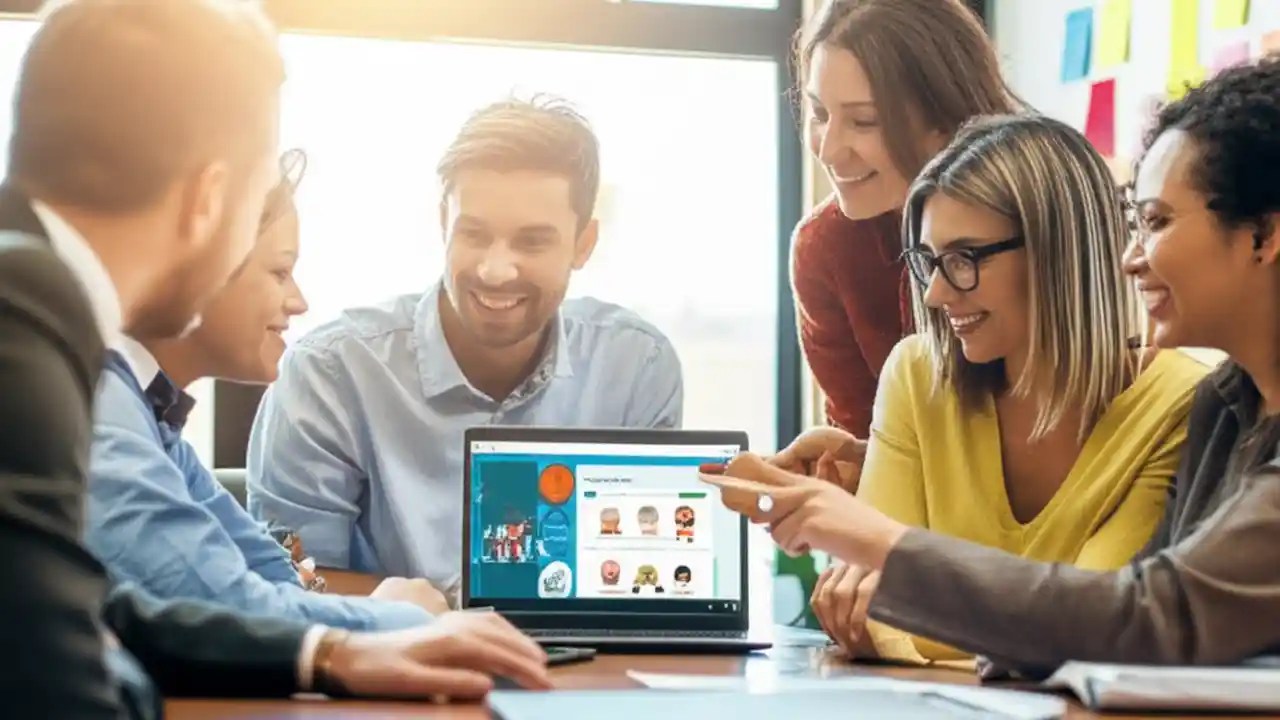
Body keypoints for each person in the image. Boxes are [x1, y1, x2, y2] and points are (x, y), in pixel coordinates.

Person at [0, 2, 547, 716]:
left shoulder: (32, 298)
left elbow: (85, 607)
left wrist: (326, 653)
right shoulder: (26, 316)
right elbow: (53, 683)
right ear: (209, 198)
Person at [705, 57, 1280, 676]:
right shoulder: (1226, 408)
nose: (1130, 259)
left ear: (1264, 235)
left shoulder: (1184, 404)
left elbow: (1130, 619)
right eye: (1135, 223)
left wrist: (873, 541)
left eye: (1157, 223)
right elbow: (1110, 632)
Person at [801, 112, 1208, 664]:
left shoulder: (1180, 404)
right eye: (927, 262)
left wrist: (910, 614)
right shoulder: (917, 375)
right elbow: (866, 604)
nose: (936, 295)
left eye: (964, 259)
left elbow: (1086, 634)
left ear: (1057, 251)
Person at [247, 97, 684, 590]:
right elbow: (291, 584)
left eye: (532, 242)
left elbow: (646, 575)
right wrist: (449, 618)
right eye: (473, 234)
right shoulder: (330, 374)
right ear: (442, 223)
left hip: (592, 663)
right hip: (393, 659)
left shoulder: (637, 367)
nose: (495, 270)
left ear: (584, 244)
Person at [85, 148, 447, 629]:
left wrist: (383, 609)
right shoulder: (102, 410)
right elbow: (223, 605)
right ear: (202, 266)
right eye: (280, 271)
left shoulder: (154, 419)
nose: (298, 302)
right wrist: (404, 620)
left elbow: (273, 576)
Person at [790, 0, 1019, 441]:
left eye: (864, 121)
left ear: (947, 118)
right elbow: (867, 438)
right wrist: (847, 463)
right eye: (819, 114)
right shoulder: (825, 247)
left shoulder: (1035, 226)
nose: (829, 149)